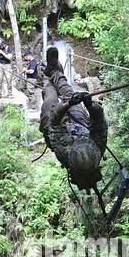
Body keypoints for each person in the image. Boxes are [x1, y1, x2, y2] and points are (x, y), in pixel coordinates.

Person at [40, 47, 107, 191]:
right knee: (69, 91)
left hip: (53, 127)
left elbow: (54, 123)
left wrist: (67, 105)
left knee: (50, 96)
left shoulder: (63, 154)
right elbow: (99, 122)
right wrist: (89, 104)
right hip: (80, 124)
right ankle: (54, 70)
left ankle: (46, 78)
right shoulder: (98, 148)